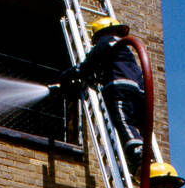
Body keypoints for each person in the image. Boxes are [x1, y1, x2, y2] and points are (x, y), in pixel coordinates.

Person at [62, 16, 146, 174]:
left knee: (123, 119)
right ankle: (148, 154)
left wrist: (69, 74)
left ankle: (138, 154)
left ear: (100, 34)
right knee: (139, 124)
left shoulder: (105, 42)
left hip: (119, 87)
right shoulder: (124, 48)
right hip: (139, 91)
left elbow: (87, 66)